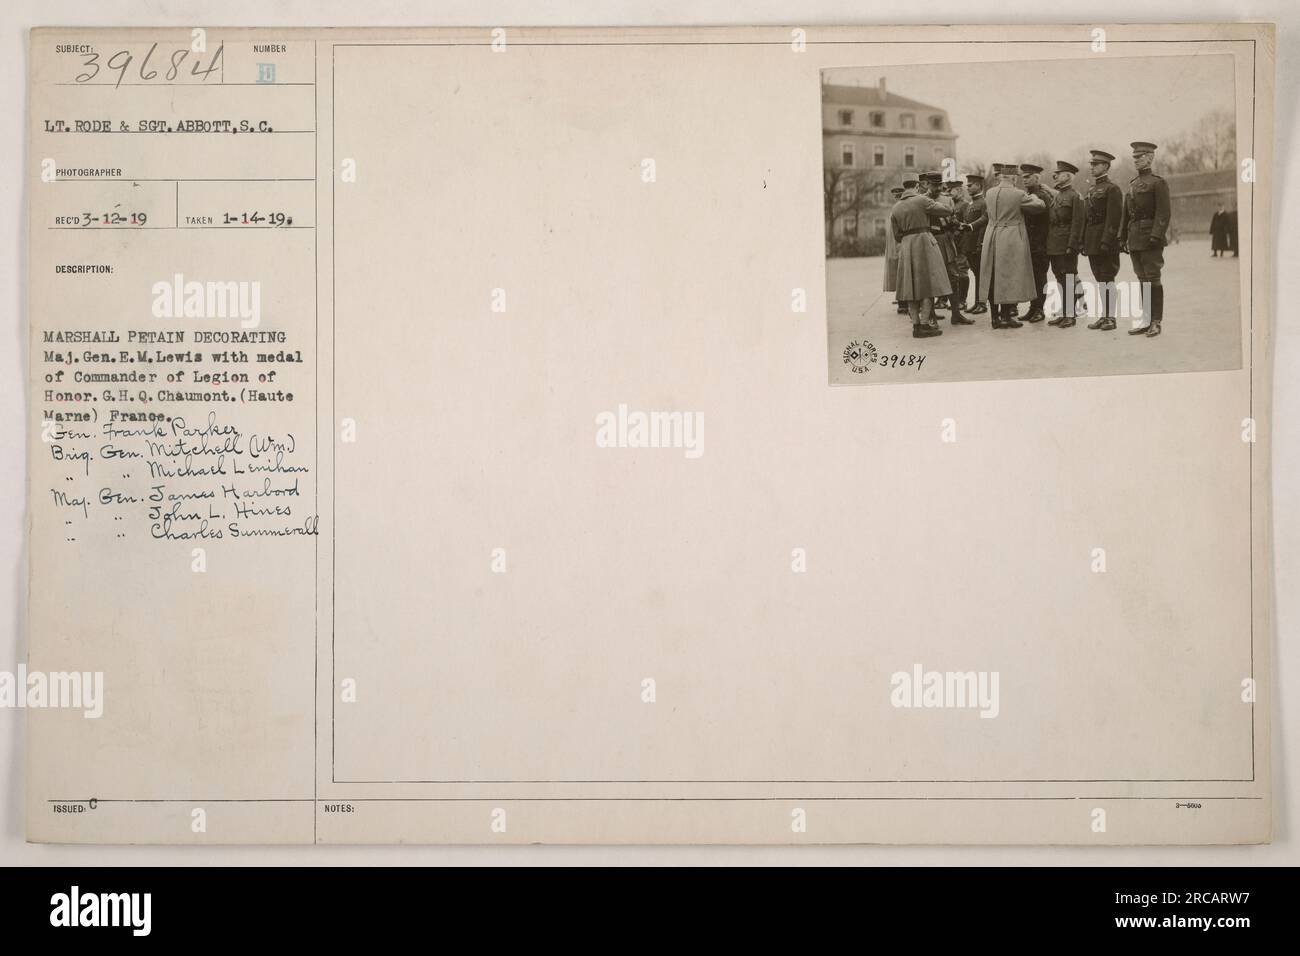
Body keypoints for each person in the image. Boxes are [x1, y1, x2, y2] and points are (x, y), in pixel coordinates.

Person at [976, 164, 1044, 329]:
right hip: (1010, 238)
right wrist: (1035, 197)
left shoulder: (990, 193)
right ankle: (1006, 317)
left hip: (991, 235)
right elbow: (1040, 206)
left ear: (1000, 177)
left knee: (992, 275)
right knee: (1007, 275)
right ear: (1014, 178)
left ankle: (994, 318)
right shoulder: (1018, 194)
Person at [889, 171, 954, 337]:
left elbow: (896, 235)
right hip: (924, 243)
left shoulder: (895, 207)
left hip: (906, 245)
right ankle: (925, 324)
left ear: (904, 188)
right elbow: (946, 211)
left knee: (910, 287)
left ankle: (916, 326)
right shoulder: (922, 200)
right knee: (928, 285)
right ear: (917, 186)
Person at [1119, 141, 1171, 337]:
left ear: (1150, 157)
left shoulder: (1158, 183)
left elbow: (1163, 213)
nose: (1136, 160)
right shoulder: (1133, 184)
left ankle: (1156, 321)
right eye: (1134, 157)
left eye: (1140, 157)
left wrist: (1156, 235)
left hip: (1150, 238)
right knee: (1141, 278)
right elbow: (1126, 213)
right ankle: (1146, 319)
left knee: (1153, 277)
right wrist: (1122, 237)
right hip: (1135, 238)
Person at [1081, 149, 1123, 331]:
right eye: (1091, 164)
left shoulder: (1112, 189)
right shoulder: (1091, 189)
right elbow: (1086, 218)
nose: (1092, 167)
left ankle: (1110, 318)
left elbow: (1114, 218)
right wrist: (1083, 241)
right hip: (1092, 240)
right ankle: (1104, 316)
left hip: (1105, 242)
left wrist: (1107, 241)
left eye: (1095, 164)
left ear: (1105, 166)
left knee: (1107, 278)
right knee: (1100, 279)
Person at [1045, 160, 1087, 327]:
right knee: (1059, 278)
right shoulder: (1058, 196)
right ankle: (1064, 312)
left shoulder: (1075, 196)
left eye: (1059, 173)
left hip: (1066, 244)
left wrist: (1072, 245)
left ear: (1068, 176)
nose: (1055, 175)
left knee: (1068, 277)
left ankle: (1071, 315)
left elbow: (1078, 223)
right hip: (1054, 243)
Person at [931, 178, 973, 324]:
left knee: (954, 276)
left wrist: (959, 226)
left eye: (938, 185)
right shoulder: (921, 200)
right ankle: (930, 315)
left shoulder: (947, 200)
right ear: (926, 185)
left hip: (946, 240)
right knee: (931, 278)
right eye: (933, 184)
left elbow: (953, 218)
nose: (937, 188)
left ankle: (956, 314)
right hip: (929, 241)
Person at [1019, 163, 1055, 323]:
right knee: (1032, 277)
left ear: (1037, 178)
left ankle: (1040, 309)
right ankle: (1033, 308)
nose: (1024, 180)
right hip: (1030, 242)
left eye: (1028, 177)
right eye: (1023, 177)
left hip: (1040, 243)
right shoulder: (1029, 195)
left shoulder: (1043, 195)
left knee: (1040, 277)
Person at [960, 174, 988, 314]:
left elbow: (984, 225)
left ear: (978, 185)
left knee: (980, 274)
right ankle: (977, 302)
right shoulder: (971, 203)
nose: (968, 187)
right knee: (976, 273)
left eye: (970, 185)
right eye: (967, 185)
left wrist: (980, 244)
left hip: (977, 244)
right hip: (969, 244)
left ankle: (982, 303)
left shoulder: (983, 202)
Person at [883, 185, 905, 308]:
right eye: (895, 196)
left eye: (899, 195)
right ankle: (901, 301)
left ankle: (903, 302)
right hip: (893, 245)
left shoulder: (901, 209)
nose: (897, 198)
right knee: (897, 272)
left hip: (899, 244)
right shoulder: (894, 209)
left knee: (902, 272)